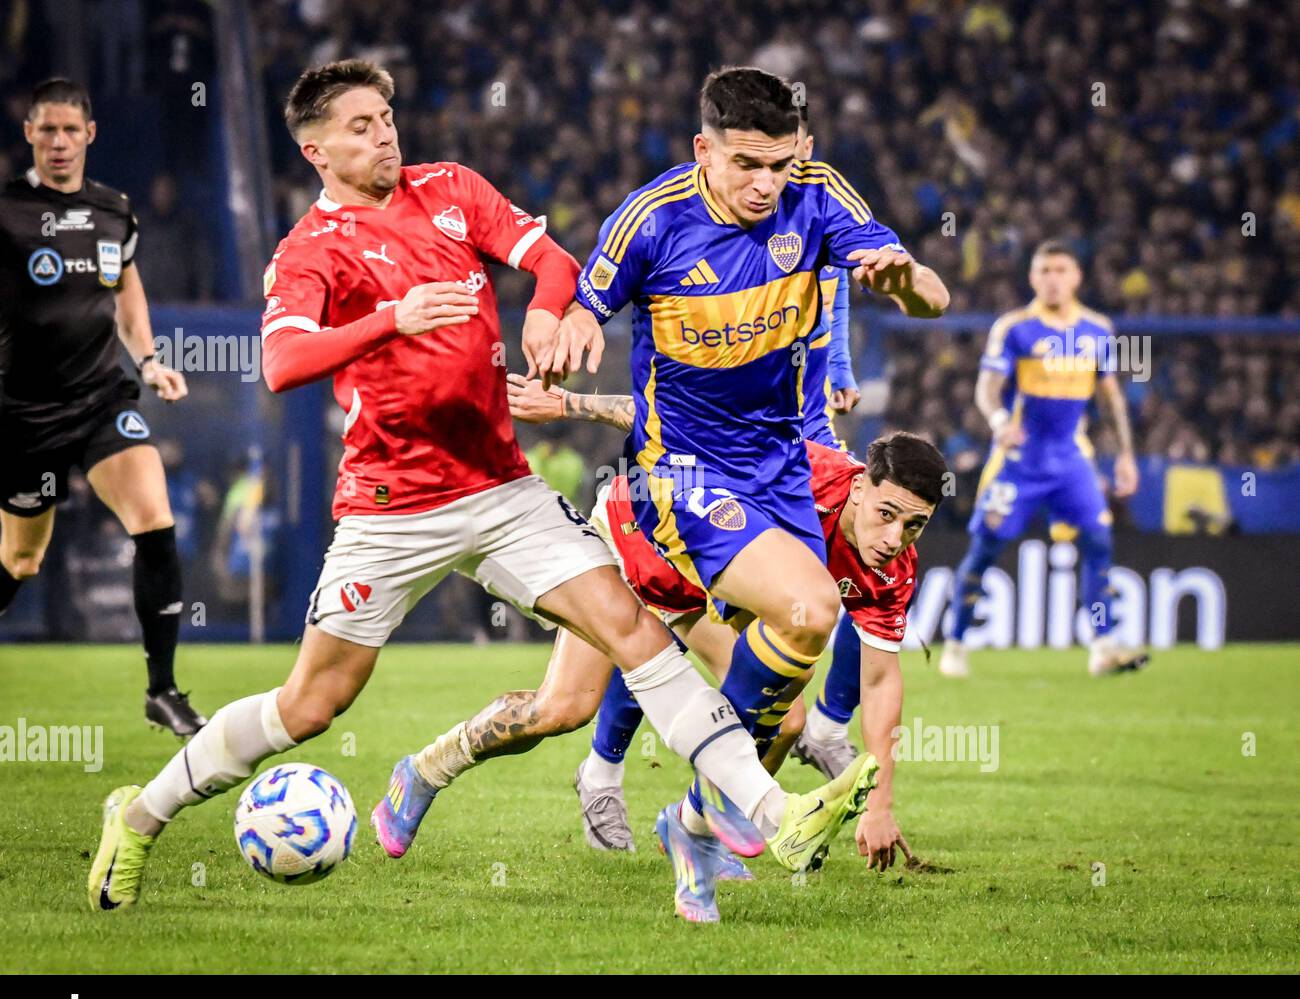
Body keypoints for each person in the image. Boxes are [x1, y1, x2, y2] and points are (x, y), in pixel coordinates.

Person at [88, 59, 870, 916]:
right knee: (311, 705)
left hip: (503, 491)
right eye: (360, 126)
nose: (384, 132)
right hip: (391, 510)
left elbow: (552, 260)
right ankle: (141, 813)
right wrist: (390, 317)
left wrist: (544, 304)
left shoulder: (451, 188)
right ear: (315, 151)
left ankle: (775, 812)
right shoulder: (310, 252)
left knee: (634, 632)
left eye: (385, 116)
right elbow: (279, 362)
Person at [530, 66, 948, 909]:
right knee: (807, 610)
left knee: (785, 706)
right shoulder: (653, 219)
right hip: (679, 468)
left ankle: (693, 824)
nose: (766, 184)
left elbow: (929, 295)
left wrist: (902, 282)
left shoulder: (820, 194)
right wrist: (572, 328)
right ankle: (623, 779)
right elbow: (585, 302)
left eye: (781, 166)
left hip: (783, 463)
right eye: (747, 164)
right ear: (703, 151)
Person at [508, 377, 944, 899]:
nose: (894, 540)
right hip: (642, 523)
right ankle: (596, 776)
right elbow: (667, 421)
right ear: (859, 488)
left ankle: (704, 828)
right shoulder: (798, 467)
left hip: (715, 577)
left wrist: (881, 806)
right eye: (886, 516)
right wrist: (566, 404)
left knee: (787, 719)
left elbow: (881, 683)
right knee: (565, 708)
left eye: (914, 527)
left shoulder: (895, 571)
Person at [0, 77, 205, 737]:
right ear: (29, 135)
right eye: (47, 130)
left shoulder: (116, 211)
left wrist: (148, 361)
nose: (59, 141)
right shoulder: (5, 210)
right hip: (24, 412)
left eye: (70, 130)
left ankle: (163, 689)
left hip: (101, 398)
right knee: (21, 561)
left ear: (90, 135)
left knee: (155, 521)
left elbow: (126, 295)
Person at [939, 240, 1149, 678]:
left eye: (1060, 269)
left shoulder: (1097, 330)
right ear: (1032, 278)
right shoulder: (1015, 328)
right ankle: (955, 644)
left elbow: (1110, 399)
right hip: (1017, 459)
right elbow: (987, 388)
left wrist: (1126, 456)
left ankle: (1103, 644)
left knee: (1098, 544)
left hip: (1072, 459)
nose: (1052, 278)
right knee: (985, 551)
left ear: (1077, 277)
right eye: (1043, 270)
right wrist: (998, 419)